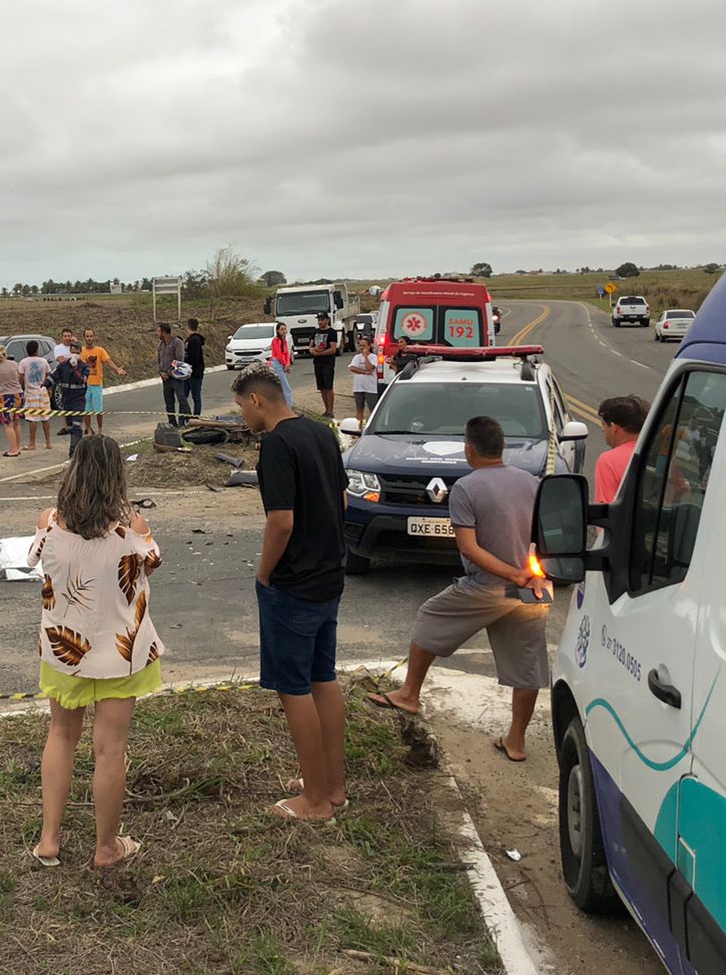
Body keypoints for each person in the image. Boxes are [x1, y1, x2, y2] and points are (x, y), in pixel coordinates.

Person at [367, 416, 548, 763]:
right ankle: (516, 742)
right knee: (527, 664)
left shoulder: (466, 487)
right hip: (533, 587)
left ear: (469, 448)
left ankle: (409, 693)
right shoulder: (531, 482)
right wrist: (531, 575)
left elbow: (469, 548)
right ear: (502, 447)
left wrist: (512, 574)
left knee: (429, 616)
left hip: (490, 586)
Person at [29, 436, 162, 869]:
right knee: (110, 749)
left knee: (61, 735)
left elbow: (34, 558)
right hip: (120, 651)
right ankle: (106, 847)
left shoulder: (49, 521)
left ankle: (49, 839)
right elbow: (152, 561)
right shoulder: (134, 529)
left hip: (63, 648)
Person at [233, 366, 349, 822]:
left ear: (257, 401)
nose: (242, 416)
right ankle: (331, 784)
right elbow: (340, 502)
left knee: (293, 688)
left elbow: (281, 521)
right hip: (329, 578)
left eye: (242, 406)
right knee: (324, 678)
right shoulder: (322, 434)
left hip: (294, 585)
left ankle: (315, 802)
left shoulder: (276, 445)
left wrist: (264, 574)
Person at [594, 395, 649, 504]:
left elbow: (605, 508)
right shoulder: (660, 456)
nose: (602, 430)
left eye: (604, 425)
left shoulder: (609, 460)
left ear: (614, 428)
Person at [80, 328, 127, 436]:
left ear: (94, 337)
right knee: (86, 410)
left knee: (98, 410)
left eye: (91, 336)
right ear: (84, 337)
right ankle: (88, 429)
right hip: (85, 385)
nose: (89, 338)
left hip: (97, 384)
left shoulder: (100, 350)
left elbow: (108, 361)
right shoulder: (81, 351)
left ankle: (100, 430)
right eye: (87, 336)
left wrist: (117, 369)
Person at [48, 348, 90, 457]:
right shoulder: (63, 366)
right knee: (71, 426)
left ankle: (74, 451)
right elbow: (53, 377)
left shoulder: (84, 366)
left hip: (78, 400)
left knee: (77, 425)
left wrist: (75, 368)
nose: (74, 354)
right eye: (72, 352)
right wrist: (44, 386)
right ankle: (80, 449)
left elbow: (81, 380)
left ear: (80, 353)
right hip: (66, 400)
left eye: (77, 352)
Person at [0, 345, 24, 458]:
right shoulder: (14, 364)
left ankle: (13, 449)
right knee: (17, 421)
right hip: (18, 393)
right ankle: (17, 447)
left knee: (8, 424)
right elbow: (18, 378)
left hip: (4, 395)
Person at [19, 341, 53, 452]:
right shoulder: (43, 361)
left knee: (32, 418)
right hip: (43, 391)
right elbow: (48, 375)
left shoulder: (23, 362)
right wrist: (49, 388)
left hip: (30, 392)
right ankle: (48, 442)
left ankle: (32, 443)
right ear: (37, 349)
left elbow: (21, 378)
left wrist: (22, 388)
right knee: (45, 417)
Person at [155, 323, 189, 426]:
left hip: (176, 377)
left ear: (164, 332)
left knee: (181, 399)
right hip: (165, 379)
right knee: (169, 402)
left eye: (158, 331)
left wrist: (168, 373)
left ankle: (186, 421)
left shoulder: (177, 343)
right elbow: (159, 361)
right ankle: (172, 423)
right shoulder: (161, 345)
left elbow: (179, 360)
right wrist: (161, 372)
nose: (157, 334)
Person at [310, 312, 340, 418]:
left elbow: (333, 349)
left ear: (327, 320)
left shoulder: (332, 332)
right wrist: (313, 350)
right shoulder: (315, 331)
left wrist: (319, 353)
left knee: (328, 387)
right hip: (317, 362)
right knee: (321, 387)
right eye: (319, 320)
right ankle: (326, 409)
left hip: (328, 363)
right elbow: (310, 346)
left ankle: (331, 410)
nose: (320, 322)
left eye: (322, 320)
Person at [54, 330, 78, 436]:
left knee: (76, 401)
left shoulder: (75, 346)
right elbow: (61, 360)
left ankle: (75, 424)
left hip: (76, 377)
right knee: (64, 402)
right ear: (62, 337)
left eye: (69, 336)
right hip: (64, 378)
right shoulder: (58, 348)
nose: (67, 338)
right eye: (65, 336)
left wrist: (76, 342)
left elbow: (80, 357)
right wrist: (72, 358)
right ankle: (66, 426)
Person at [347, 347, 381, 419]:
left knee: (373, 409)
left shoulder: (373, 357)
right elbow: (352, 368)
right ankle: (359, 425)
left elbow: (370, 368)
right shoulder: (357, 357)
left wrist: (365, 356)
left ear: (369, 346)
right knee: (359, 409)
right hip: (358, 387)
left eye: (364, 345)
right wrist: (364, 371)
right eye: (360, 345)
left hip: (370, 387)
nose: (362, 348)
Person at [184, 319, 207, 418]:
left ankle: (196, 417)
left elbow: (193, 358)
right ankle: (184, 417)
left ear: (188, 327)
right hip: (188, 373)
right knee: (183, 397)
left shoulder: (194, 340)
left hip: (194, 373)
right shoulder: (190, 339)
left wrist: (185, 359)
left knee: (196, 397)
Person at [269, 324, 295, 406]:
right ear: (277, 331)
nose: (284, 331)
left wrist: (287, 363)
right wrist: (285, 364)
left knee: (283, 387)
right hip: (277, 364)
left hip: (282, 363)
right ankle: (288, 407)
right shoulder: (276, 340)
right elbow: (279, 355)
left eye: (285, 329)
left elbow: (287, 352)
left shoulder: (284, 340)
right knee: (286, 388)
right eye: (281, 329)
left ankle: (285, 405)